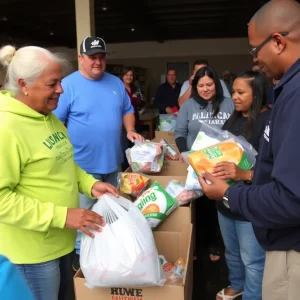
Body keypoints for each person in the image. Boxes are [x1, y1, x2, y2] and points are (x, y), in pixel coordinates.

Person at [198, 0, 300, 299]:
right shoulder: (287, 92)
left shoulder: (294, 98)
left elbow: (291, 197)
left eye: (255, 50)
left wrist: (229, 193)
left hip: (289, 242)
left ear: (278, 41)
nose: (255, 61)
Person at [0, 44, 119, 300]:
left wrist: (89, 184)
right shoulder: (6, 127)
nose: (61, 90)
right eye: (52, 84)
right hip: (32, 254)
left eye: (61, 82)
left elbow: (63, 162)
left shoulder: (46, 115)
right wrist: (62, 216)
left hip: (60, 242)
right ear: (24, 84)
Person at [53, 36, 144, 271]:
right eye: (92, 57)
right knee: (84, 217)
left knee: (112, 215)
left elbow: (127, 109)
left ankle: (107, 256)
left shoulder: (115, 83)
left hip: (113, 163)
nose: (97, 61)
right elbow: (56, 124)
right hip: (81, 166)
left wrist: (131, 129)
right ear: (80, 58)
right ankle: (82, 261)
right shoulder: (68, 85)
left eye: (101, 57)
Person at [214, 71, 269, 300]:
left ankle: (252, 295)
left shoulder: (269, 121)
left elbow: (274, 170)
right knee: (232, 252)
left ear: (256, 95)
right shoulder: (234, 118)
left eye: (240, 92)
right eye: (233, 91)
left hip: (251, 203)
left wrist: (245, 173)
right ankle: (236, 285)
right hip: (226, 199)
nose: (234, 97)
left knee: (253, 261)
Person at [175, 65, 234, 262]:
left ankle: (215, 244)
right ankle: (195, 246)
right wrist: (184, 153)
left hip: (224, 164)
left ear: (216, 84)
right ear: (195, 86)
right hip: (197, 166)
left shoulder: (229, 104)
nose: (206, 89)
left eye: (210, 84)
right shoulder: (188, 106)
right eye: (201, 85)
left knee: (221, 205)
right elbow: (180, 132)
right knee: (199, 207)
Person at [120, 66, 145, 170]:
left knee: (135, 148)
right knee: (124, 149)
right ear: (122, 76)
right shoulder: (119, 88)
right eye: (127, 75)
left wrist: (136, 100)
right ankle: (125, 171)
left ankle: (134, 170)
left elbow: (142, 101)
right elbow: (123, 104)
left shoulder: (135, 88)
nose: (129, 77)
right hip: (122, 125)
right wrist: (134, 100)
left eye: (131, 75)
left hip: (135, 121)